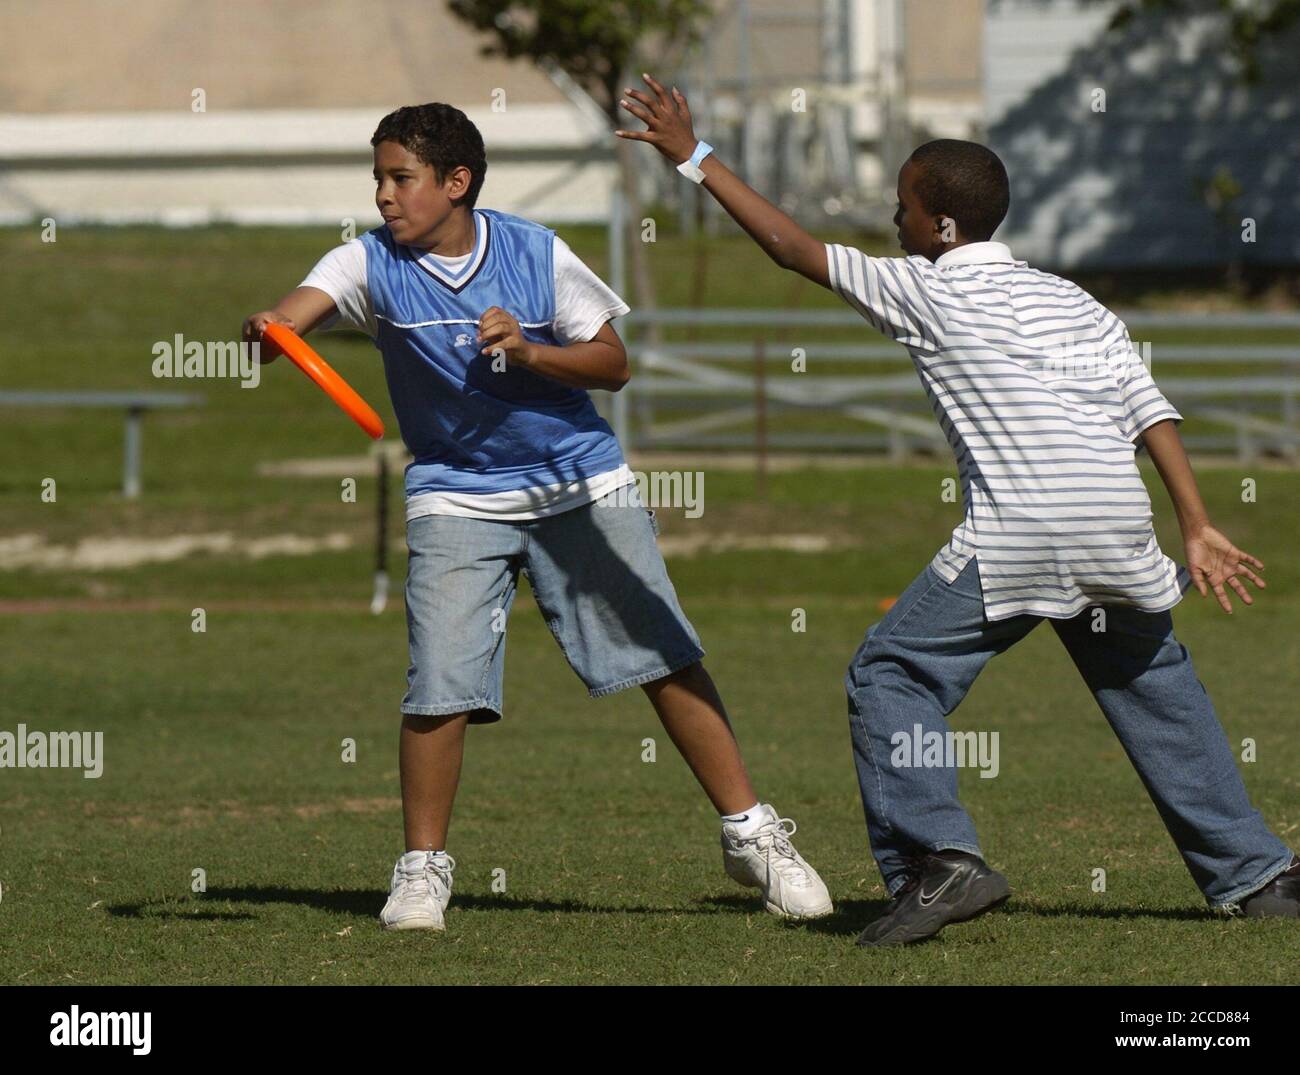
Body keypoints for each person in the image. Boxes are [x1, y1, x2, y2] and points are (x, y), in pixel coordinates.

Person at [618, 73, 1298, 947]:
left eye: (903, 206)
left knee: (889, 673)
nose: (894, 223)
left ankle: (936, 862)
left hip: (1024, 531)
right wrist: (1196, 524)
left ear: (939, 225)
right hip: (1120, 526)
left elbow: (791, 247)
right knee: (1155, 686)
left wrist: (693, 156)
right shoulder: (1073, 298)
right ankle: (1257, 873)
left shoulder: (925, 289)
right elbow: (1149, 410)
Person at [241, 102, 831, 932]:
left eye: (400, 178)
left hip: (577, 486)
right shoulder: (365, 261)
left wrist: (529, 352)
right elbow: (288, 319)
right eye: (376, 177)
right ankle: (421, 871)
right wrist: (265, 331)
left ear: (457, 183)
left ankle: (752, 834)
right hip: (453, 493)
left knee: (664, 656)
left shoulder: (534, 251)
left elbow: (614, 365)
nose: (383, 195)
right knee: (438, 683)